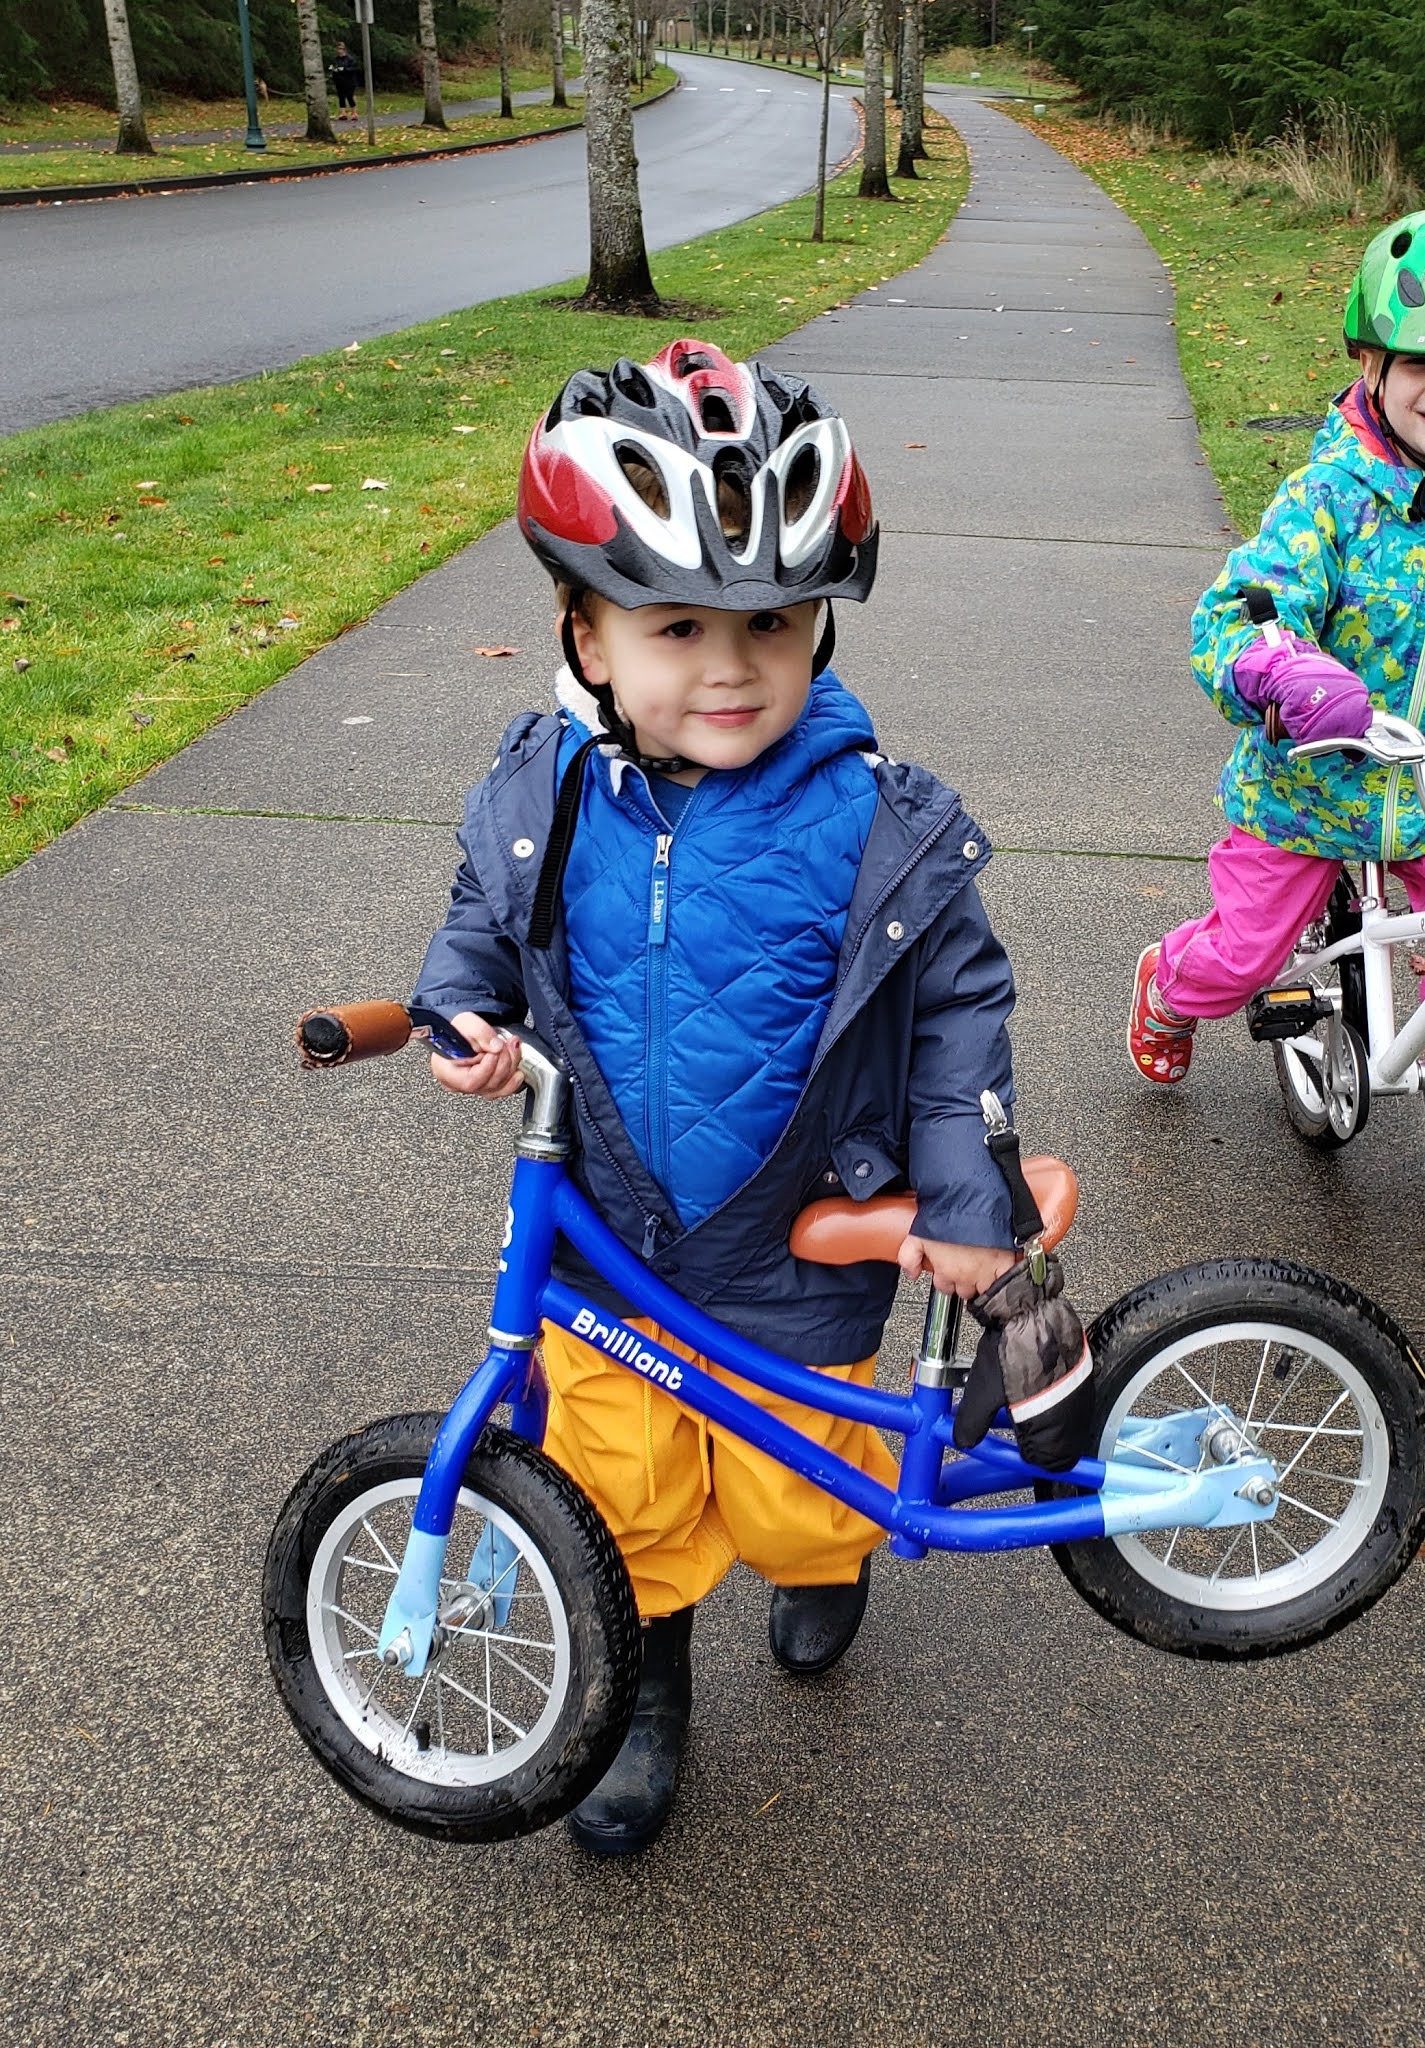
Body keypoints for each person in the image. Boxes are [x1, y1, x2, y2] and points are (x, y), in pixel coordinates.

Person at [413, 340, 1090, 1854]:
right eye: (677, 626)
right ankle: (643, 1687)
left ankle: (823, 1565)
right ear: (585, 634)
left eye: (772, 624)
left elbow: (956, 1012)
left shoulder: (871, 822)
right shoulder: (545, 793)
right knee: (622, 1505)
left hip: (793, 1249)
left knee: (804, 1494)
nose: (731, 668)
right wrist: (464, 1004)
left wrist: (964, 1200)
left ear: (820, 625)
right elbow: (486, 915)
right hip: (613, 1241)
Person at [1128, 210, 1425, 1084]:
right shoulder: (1327, 497)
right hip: (1308, 781)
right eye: (1421, 365)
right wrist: (1285, 669)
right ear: (1371, 366)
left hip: (1420, 790)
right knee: (1239, 957)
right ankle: (1166, 988)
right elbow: (1237, 614)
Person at [329, 41, 360, 120]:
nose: (339, 50)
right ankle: (343, 113)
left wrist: (344, 69)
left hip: (350, 81)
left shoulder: (350, 59)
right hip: (339, 81)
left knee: (350, 96)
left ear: (344, 49)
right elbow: (333, 67)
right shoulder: (336, 59)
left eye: (341, 49)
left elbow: (354, 68)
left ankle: (354, 113)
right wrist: (334, 70)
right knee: (341, 96)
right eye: (338, 49)